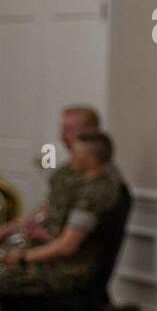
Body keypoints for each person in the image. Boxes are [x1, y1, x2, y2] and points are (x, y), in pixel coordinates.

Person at [0, 131, 123, 296]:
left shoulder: (94, 193)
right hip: (47, 255)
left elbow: (67, 246)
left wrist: (21, 257)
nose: (70, 158)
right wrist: (19, 227)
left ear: (91, 160)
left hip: (65, 268)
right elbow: (48, 213)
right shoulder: (74, 181)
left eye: (75, 154)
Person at [0, 105, 102, 245]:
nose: (62, 136)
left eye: (68, 130)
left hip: (61, 258)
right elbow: (46, 209)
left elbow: (71, 244)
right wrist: (9, 228)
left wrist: (24, 255)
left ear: (89, 133)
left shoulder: (97, 178)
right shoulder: (65, 172)